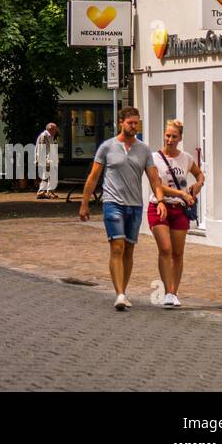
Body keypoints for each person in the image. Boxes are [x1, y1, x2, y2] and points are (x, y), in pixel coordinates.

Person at [78, 106, 168, 311]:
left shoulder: (143, 149)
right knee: (117, 246)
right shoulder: (107, 147)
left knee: (129, 249)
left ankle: (123, 291)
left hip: (135, 205)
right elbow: (93, 177)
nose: (134, 126)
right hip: (112, 203)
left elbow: (154, 179)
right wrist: (84, 203)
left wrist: (160, 200)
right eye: (130, 123)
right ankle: (119, 293)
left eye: (136, 123)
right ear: (121, 123)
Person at [149, 119, 204, 308]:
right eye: (167, 135)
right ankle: (166, 291)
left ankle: (173, 292)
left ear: (180, 138)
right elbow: (157, 184)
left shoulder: (186, 158)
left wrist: (197, 185)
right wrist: (181, 193)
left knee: (178, 253)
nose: (169, 139)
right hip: (158, 206)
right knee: (165, 248)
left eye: (174, 136)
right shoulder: (154, 158)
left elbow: (199, 174)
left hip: (179, 209)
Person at [35, 122, 60, 198]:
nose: (56, 131)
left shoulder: (49, 136)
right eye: (55, 129)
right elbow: (41, 149)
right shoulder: (44, 136)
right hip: (47, 159)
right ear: (50, 129)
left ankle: (42, 192)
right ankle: (49, 192)